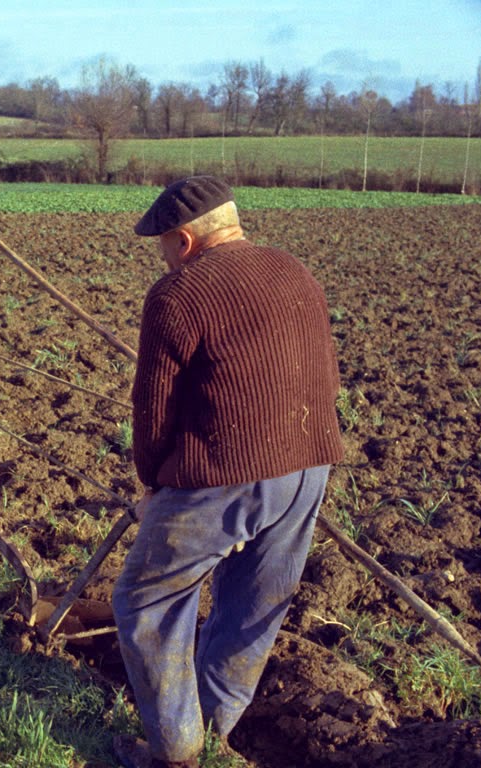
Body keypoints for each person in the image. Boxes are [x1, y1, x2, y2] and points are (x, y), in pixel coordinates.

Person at [111, 176, 344, 768]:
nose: (161, 256)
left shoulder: (179, 293)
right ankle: (212, 726)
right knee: (253, 605)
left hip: (225, 473)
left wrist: (156, 485)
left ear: (185, 240)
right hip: (310, 464)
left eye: (162, 243)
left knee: (147, 600)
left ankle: (176, 751)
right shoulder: (294, 270)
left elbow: (153, 408)